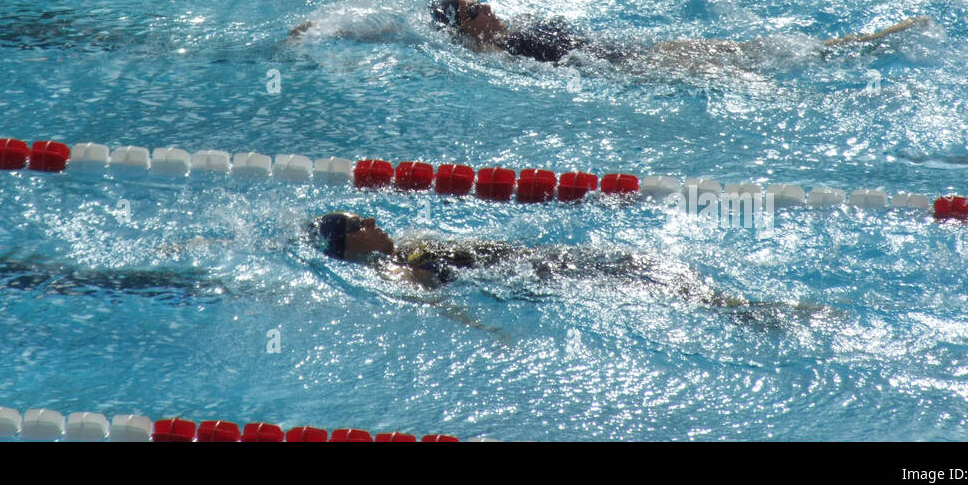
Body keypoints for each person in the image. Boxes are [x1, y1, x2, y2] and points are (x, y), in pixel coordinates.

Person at [309, 212, 820, 325]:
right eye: (362, 222)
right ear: (351, 242)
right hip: (537, 281)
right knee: (651, 281)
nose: (375, 220)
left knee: (645, 268)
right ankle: (750, 313)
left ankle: (745, 310)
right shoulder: (389, 272)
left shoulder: (407, 247)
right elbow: (431, 300)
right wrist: (483, 327)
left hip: (543, 265)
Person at [424, 0, 931, 67]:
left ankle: (853, 47)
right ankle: (854, 49)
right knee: (746, 59)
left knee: (745, 52)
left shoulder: (521, 32)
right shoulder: (504, 57)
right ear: (466, 35)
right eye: (474, 11)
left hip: (635, 53)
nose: (487, 7)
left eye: (481, 0)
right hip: (636, 69)